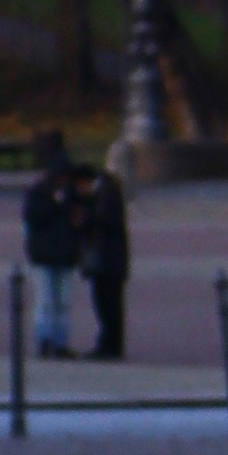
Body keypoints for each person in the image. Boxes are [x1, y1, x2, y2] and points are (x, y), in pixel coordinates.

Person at [20, 133, 83, 360]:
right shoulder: (38, 192)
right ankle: (45, 340)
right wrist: (55, 206)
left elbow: (78, 221)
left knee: (62, 302)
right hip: (46, 255)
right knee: (46, 301)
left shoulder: (70, 194)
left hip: (63, 255)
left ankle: (59, 342)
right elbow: (32, 218)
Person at [82, 152, 133, 363]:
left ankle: (110, 344)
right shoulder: (109, 190)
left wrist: (87, 217)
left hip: (108, 261)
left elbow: (105, 221)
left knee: (108, 303)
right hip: (112, 259)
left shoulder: (106, 192)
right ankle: (110, 343)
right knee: (108, 304)